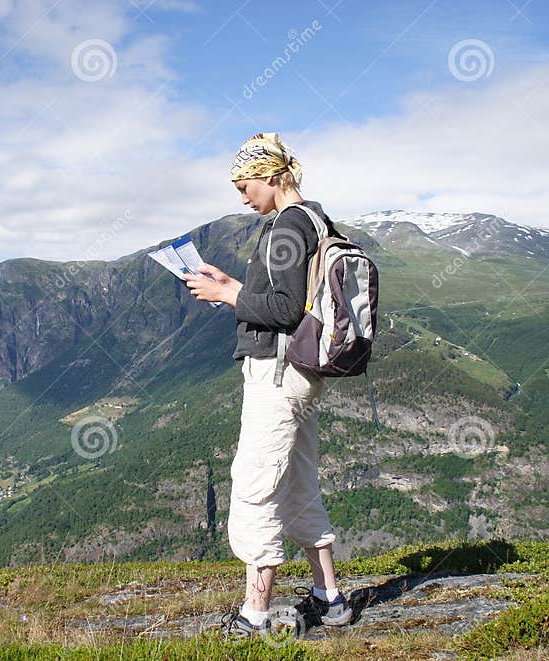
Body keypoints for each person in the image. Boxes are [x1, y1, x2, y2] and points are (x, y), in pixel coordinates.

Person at [185, 133, 356, 638]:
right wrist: (231, 288)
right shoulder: (316, 218)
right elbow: (287, 296)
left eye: (246, 185)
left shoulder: (286, 226)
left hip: (278, 375)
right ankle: (331, 599)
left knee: (257, 485)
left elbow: (283, 309)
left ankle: (253, 616)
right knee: (300, 483)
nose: (242, 197)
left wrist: (228, 293)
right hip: (302, 375)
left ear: (274, 176)